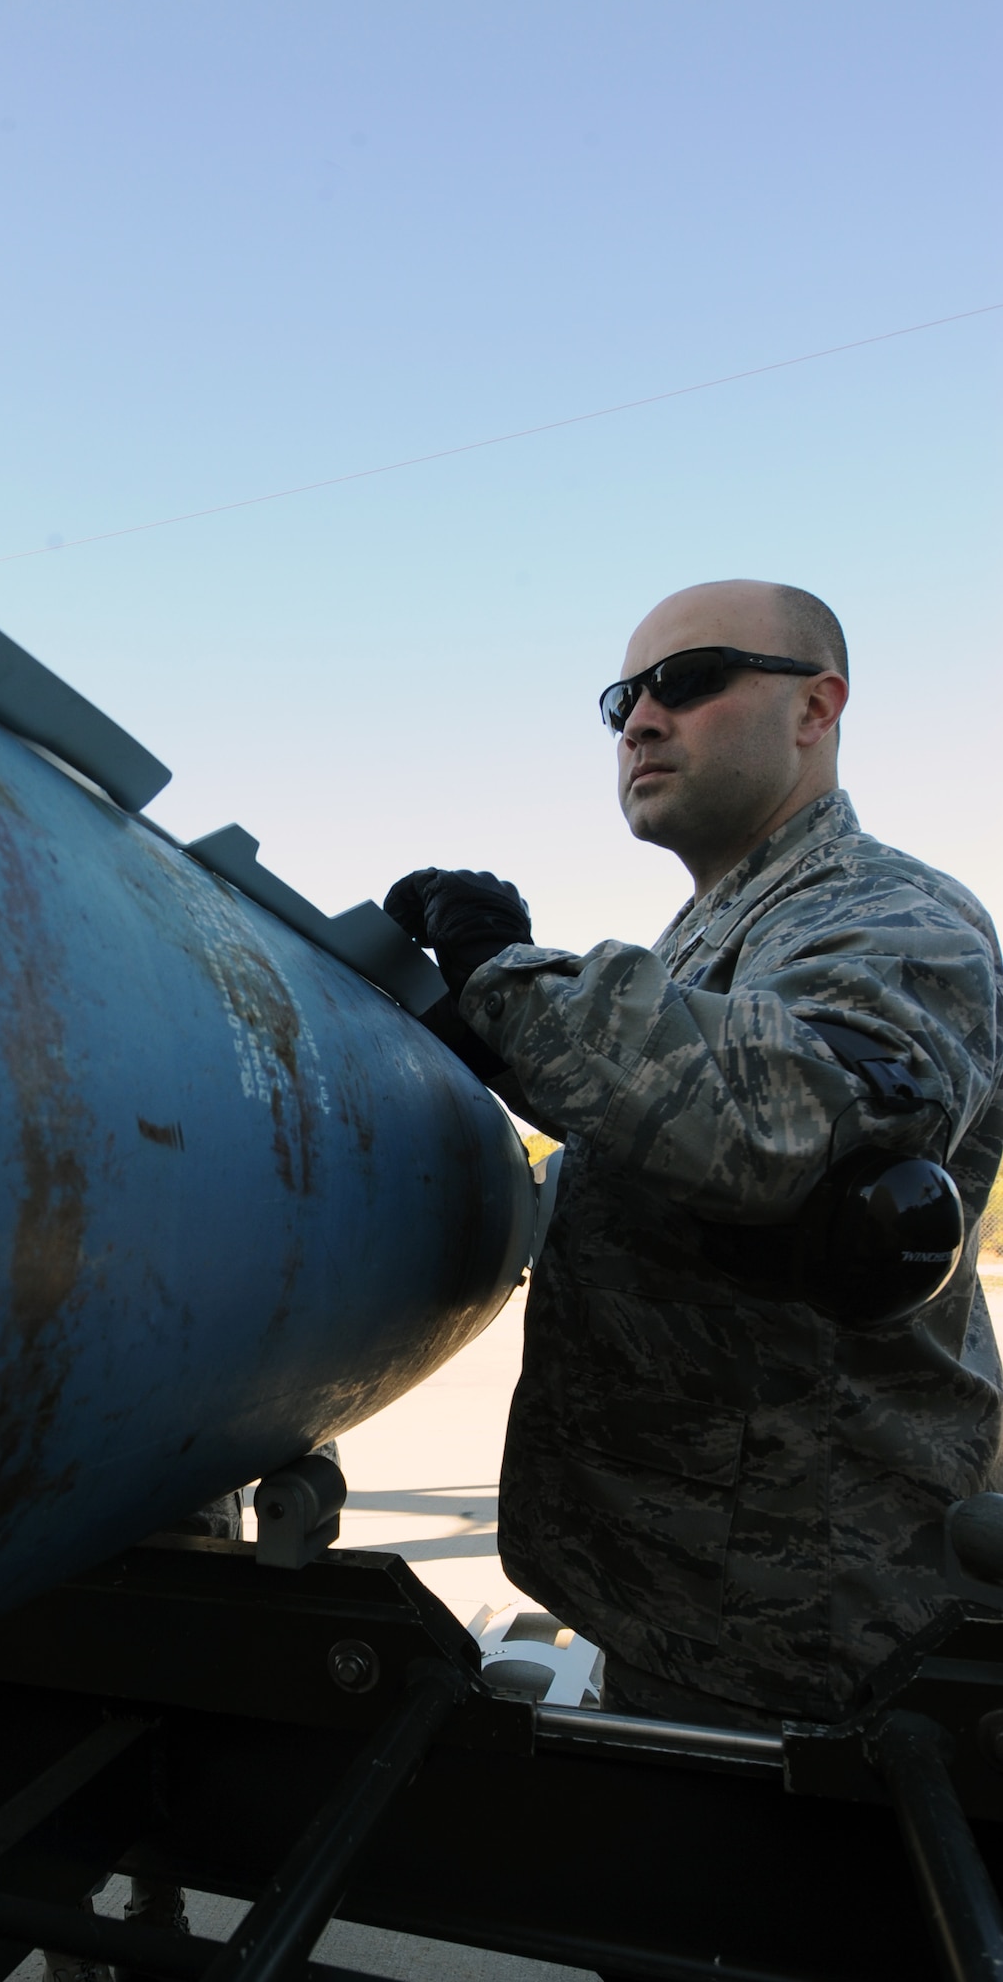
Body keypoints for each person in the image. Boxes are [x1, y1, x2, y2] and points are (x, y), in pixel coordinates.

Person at [386, 579, 1003, 1730]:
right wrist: (498, 1043)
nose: (638, 718)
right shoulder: (723, 933)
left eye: (687, 678)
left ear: (815, 708)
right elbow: (665, 1126)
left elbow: (775, 1122)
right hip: (690, 1590)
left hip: (806, 1619)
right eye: (622, 695)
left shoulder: (893, 911)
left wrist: (507, 973)